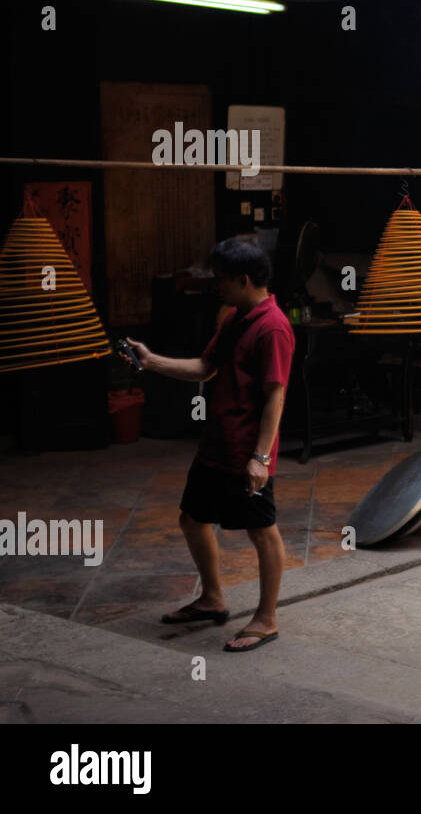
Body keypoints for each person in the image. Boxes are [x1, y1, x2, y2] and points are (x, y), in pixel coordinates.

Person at [122, 237, 295, 653]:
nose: (215, 286)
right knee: (192, 519)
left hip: (246, 453)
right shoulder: (235, 317)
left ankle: (267, 619)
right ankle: (213, 598)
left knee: (262, 532)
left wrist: (260, 457)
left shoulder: (273, 327)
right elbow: (205, 367)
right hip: (216, 444)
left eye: (221, 279)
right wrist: (151, 361)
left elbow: (276, 395)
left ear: (245, 279)